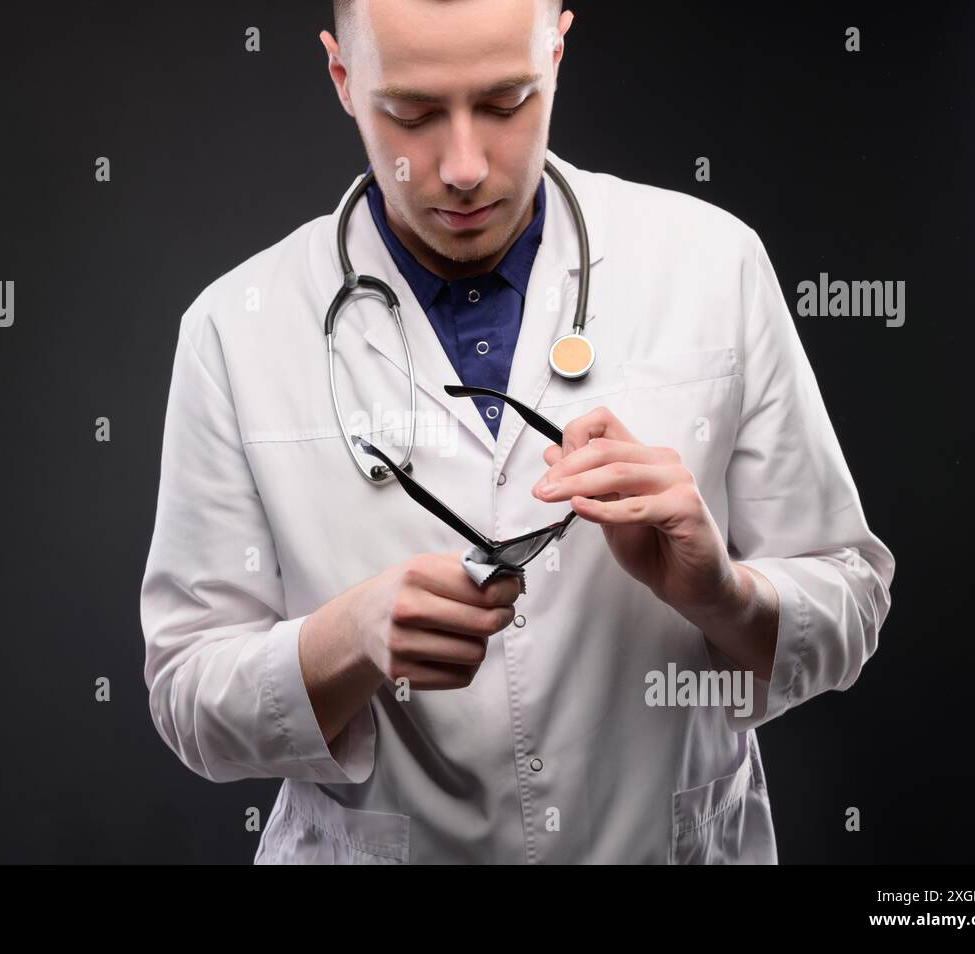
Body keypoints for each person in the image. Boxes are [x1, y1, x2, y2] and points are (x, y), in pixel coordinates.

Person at [139, 0, 895, 864]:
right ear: (344, 81)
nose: (463, 167)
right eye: (412, 114)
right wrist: (344, 641)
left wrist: (719, 592)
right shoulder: (236, 329)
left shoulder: (712, 265)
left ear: (559, 53)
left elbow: (850, 599)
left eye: (506, 103)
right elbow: (186, 697)